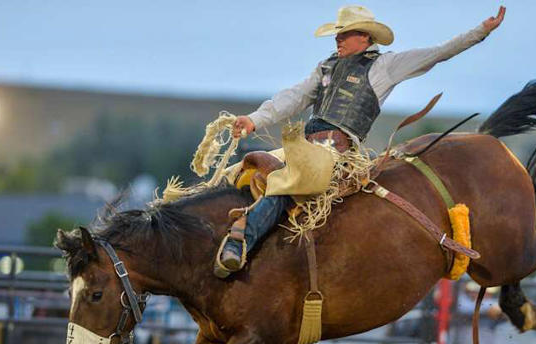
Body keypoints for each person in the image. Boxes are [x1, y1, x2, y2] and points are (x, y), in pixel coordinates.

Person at [216, 4, 506, 275]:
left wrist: (480, 31)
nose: (337, 40)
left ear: (364, 37)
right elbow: (295, 96)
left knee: (289, 182)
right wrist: (255, 119)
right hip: (306, 146)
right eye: (337, 35)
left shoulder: (385, 66)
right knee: (239, 172)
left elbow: (439, 52)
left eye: (344, 34)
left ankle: (240, 241)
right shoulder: (327, 66)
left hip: (336, 151)